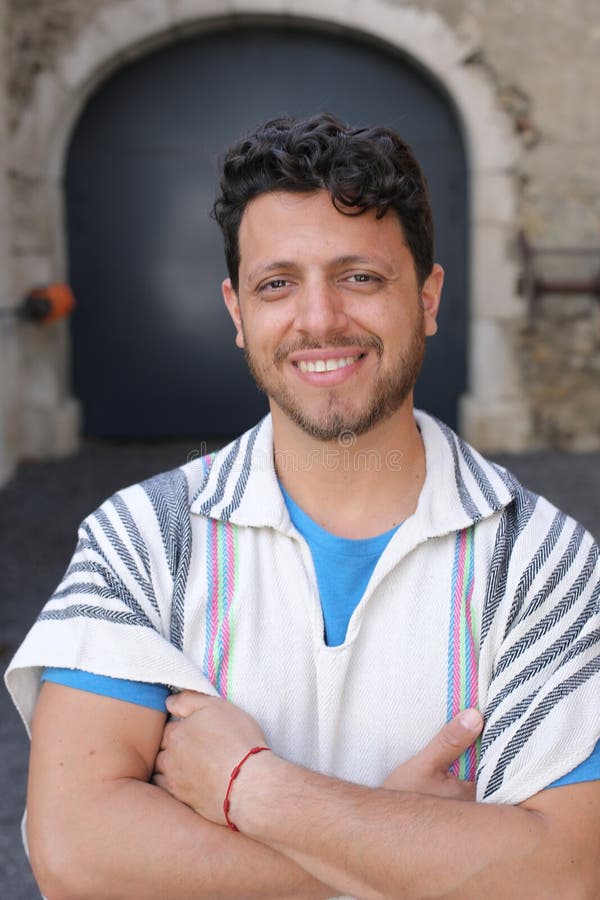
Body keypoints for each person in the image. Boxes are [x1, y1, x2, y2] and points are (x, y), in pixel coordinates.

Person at [5, 113, 600, 899]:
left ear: (427, 297)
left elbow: (565, 872)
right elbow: (78, 854)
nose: (318, 320)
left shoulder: (542, 561)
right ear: (237, 312)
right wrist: (406, 849)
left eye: (360, 276)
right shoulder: (142, 538)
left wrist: (252, 790)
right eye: (277, 283)